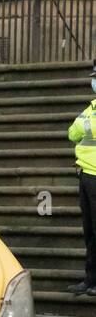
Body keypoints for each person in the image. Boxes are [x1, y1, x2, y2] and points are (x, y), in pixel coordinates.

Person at [67, 61, 96, 296]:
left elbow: (77, 131)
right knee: (90, 231)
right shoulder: (91, 109)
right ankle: (90, 279)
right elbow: (72, 133)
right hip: (87, 176)